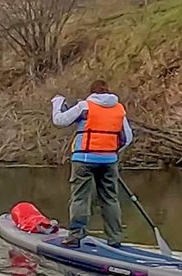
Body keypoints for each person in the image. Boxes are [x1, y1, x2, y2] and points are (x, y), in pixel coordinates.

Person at [51, 80, 133, 247]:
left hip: (84, 160)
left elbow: (59, 120)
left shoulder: (85, 106)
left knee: (80, 197)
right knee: (110, 199)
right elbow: (128, 138)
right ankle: (115, 239)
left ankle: (75, 236)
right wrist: (112, 152)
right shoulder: (119, 109)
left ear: (92, 92)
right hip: (109, 161)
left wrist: (57, 102)